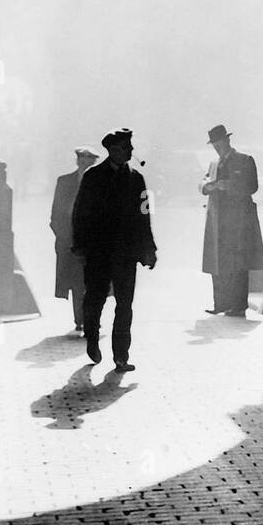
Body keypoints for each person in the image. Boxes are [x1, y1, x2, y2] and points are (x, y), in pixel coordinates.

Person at [71, 129, 157, 372]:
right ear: (113, 150)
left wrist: (149, 248)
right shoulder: (93, 177)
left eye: (130, 147)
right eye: (126, 147)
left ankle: (121, 355)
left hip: (126, 253)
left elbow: (144, 216)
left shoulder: (137, 179)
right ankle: (92, 338)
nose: (130, 151)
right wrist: (79, 245)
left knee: (125, 304)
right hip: (98, 252)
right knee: (95, 299)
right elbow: (80, 213)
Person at [199, 124, 263, 317]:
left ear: (227, 140)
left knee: (238, 262)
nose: (217, 148)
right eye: (214, 145)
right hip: (217, 221)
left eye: (219, 143)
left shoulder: (244, 161)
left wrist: (230, 186)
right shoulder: (213, 164)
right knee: (217, 262)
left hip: (238, 222)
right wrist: (208, 186)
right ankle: (220, 304)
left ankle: (237, 306)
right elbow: (202, 182)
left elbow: (252, 186)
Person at [50, 147, 99, 332]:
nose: (84, 163)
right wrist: (65, 238)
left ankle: (91, 317)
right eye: (82, 159)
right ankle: (81, 318)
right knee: (77, 282)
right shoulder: (64, 182)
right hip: (70, 241)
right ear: (77, 161)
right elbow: (56, 214)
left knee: (94, 282)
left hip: (94, 242)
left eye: (89, 160)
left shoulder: (101, 183)